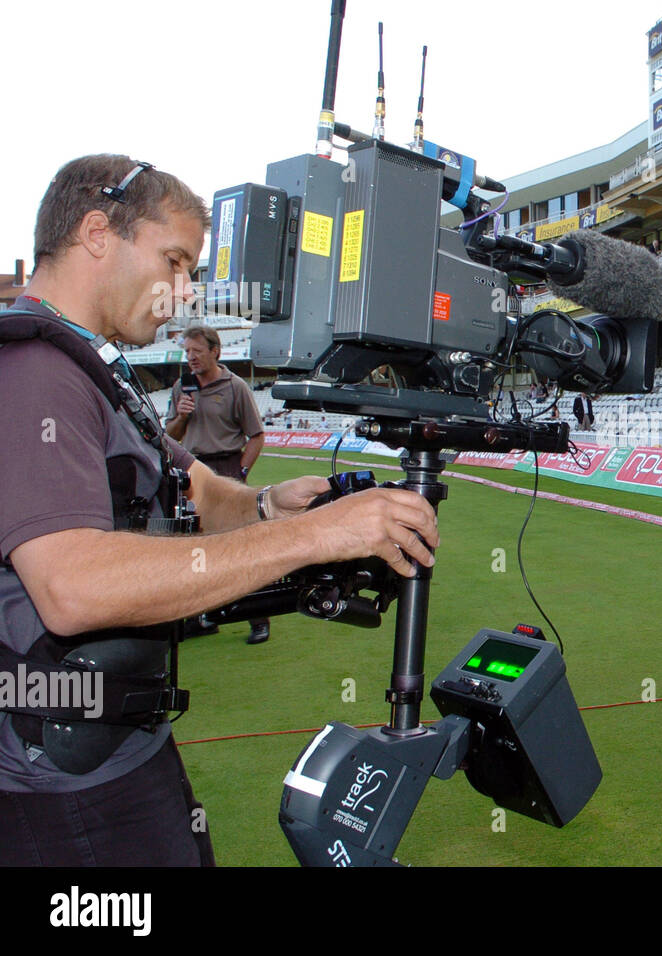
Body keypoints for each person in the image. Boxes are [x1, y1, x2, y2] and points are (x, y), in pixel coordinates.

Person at [0, 155, 439, 866]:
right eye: (173, 261)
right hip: (62, 788)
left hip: (118, 748)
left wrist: (272, 506)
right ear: (95, 232)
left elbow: (201, 492)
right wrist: (311, 538)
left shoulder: (89, 366)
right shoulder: (32, 375)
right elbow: (71, 588)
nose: (183, 291)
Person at [166, 324, 270, 643]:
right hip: (193, 470)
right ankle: (205, 617)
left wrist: (240, 473)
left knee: (238, 547)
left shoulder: (235, 386)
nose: (191, 358)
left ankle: (259, 618)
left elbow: (256, 435)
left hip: (226, 465)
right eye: (187, 352)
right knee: (195, 546)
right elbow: (170, 436)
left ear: (215, 351)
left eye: (197, 351)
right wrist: (182, 415)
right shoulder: (181, 387)